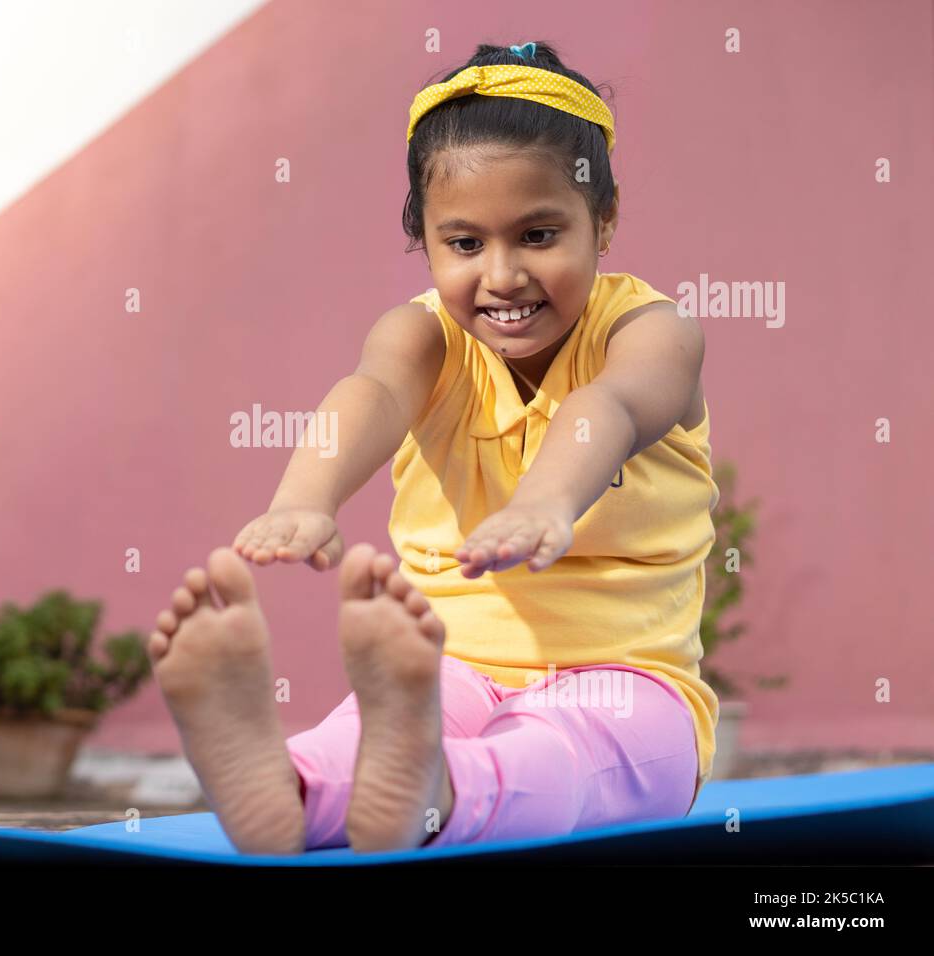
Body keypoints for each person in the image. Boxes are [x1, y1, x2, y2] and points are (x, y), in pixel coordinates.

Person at [147, 40, 719, 854]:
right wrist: (305, 500)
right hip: (446, 666)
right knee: (376, 737)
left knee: (560, 753)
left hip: (629, 682)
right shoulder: (425, 337)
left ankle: (434, 789)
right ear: (425, 239)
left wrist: (546, 502)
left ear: (606, 217)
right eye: (465, 244)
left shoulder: (654, 333)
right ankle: (286, 787)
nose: (503, 274)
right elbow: (373, 394)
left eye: (539, 234)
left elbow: (613, 406)